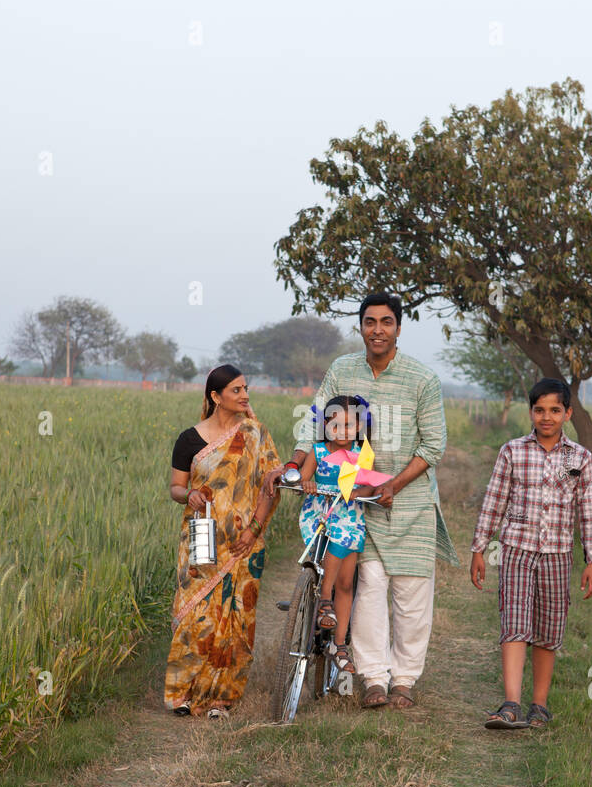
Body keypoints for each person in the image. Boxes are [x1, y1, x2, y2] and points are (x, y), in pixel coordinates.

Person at [266, 292, 459, 710]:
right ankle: (373, 677)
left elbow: (434, 446)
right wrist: (296, 465)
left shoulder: (422, 379)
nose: (377, 330)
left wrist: (394, 485)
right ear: (360, 327)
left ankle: (404, 680)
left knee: (411, 595)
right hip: (352, 500)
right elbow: (314, 425)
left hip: (407, 502)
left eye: (386, 322)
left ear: (399, 328)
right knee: (367, 587)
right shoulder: (342, 370)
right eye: (370, 322)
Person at [469, 378, 592, 729]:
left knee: (548, 629)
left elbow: (589, 510)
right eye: (540, 410)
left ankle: (538, 705)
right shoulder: (513, 451)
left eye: (555, 410)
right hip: (516, 550)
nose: (547, 417)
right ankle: (510, 704)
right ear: (530, 412)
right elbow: (494, 501)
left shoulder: (580, 459)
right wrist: (479, 547)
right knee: (514, 622)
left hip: (558, 554)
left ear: (568, 413)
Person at [166, 364, 282, 719]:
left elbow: (270, 484)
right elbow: (175, 488)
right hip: (201, 538)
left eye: (246, 388)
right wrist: (190, 496)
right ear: (216, 397)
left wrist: (254, 529)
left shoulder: (256, 434)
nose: (245, 395)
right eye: (236, 390)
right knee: (195, 615)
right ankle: (183, 693)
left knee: (237, 618)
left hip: (245, 542)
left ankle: (221, 697)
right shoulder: (189, 439)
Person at [297, 394, 381, 675]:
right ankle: (323, 600)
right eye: (336, 425)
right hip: (320, 515)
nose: (343, 431)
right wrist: (307, 485)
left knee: (346, 583)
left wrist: (360, 492)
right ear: (325, 425)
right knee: (335, 539)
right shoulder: (318, 452)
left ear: (360, 427)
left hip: (349, 515)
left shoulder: (362, 454)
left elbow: (369, 485)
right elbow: (305, 478)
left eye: (350, 425)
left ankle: (340, 645)